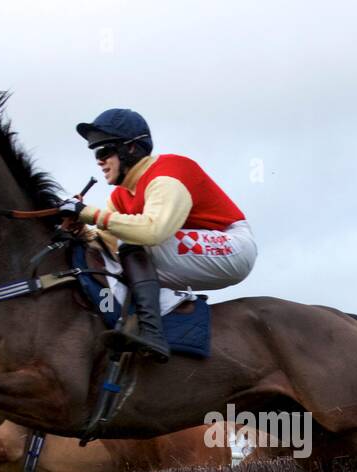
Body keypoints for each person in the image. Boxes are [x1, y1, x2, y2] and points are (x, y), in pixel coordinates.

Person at [58, 109, 257, 362]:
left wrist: (88, 213)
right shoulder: (121, 196)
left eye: (104, 151)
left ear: (131, 149)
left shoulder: (168, 173)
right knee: (110, 254)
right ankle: (141, 319)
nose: (99, 161)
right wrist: (80, 230)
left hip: (233, 246)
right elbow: (107, 242)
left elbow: (153, 231)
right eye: (96, 154)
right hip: (188, 248)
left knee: (134, 239)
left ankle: (151, 332)